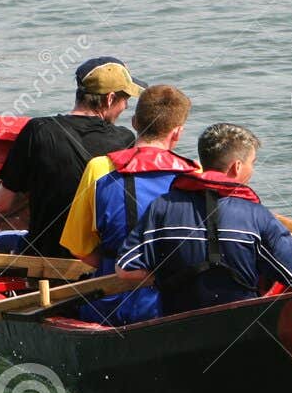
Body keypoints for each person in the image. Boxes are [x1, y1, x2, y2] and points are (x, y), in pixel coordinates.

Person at [116, 123, 292, 316]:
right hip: (241, 327)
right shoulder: (257, 215)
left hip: (176, 329)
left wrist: (165, 274)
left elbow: (125, 269)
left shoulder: (162, 207)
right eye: (253, 162)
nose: (252, 170)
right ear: (237, 166)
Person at [60, 85, 198, 324]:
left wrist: (112, 265)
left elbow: (78, 248)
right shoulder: (195, 173)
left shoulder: (99, 167)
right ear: (177, 133)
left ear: (134, 122)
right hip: (176, 303)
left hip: (112, 304)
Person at [0, 57, 141, 260]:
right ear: (109, 99)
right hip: (97, 258)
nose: (125, 107)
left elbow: (1, 205)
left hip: (45, 253)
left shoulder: (38, 130)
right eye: (125, 100)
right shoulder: (125, 139)